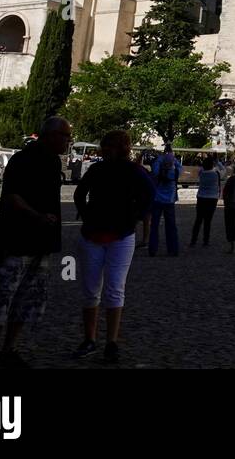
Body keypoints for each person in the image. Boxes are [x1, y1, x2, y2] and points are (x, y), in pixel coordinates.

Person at [0, 115, 72, 369]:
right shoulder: (22, 160)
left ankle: (10, 348)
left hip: (43, 241)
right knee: (2, 294)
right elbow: (12, 196)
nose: (68, 141)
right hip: (17, 239)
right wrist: (37, 216)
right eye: (65, 136)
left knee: (30, 297)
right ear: (51, 135)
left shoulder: (54, 162)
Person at [71, 130, 153, 364]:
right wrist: (88, 215)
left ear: (121, 148)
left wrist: (133, 218)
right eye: (105, 146)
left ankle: (111, 341)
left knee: (114, 288)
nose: (106, 150)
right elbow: (79, 194)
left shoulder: (133, 172)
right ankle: (91, 338)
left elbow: (149, 196)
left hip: (119, 235)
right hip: (97, 234)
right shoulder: (99, 170)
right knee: (91, 289)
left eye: (110, 146)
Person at [147, 143, 182, 257]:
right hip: (170, 200)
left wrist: (162, 156)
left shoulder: (159, 166)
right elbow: (180, 168)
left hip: (157, 198)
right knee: (171, 226)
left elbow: (154, 170)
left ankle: (153, 249)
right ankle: (173, 249)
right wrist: (172, 156)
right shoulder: (175, 171)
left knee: (154, 226)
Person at [190, 155, 224, 248]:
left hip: (201, 197)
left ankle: (193, 240)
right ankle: (206, 240)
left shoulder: (201, 173)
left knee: (198, 220)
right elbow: (223, 170)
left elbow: (202, 167)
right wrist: (218, 162)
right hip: (212, 198)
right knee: (207, 221)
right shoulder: (216, 173)